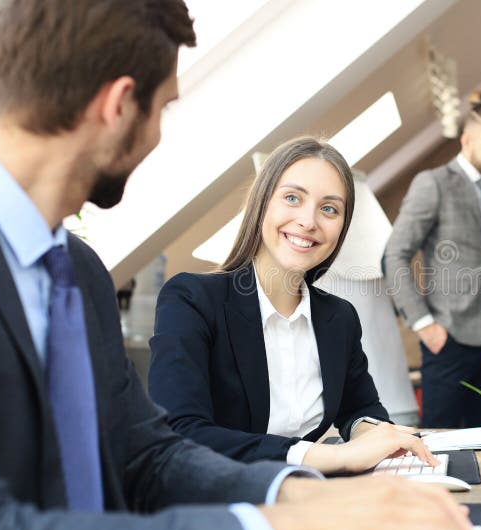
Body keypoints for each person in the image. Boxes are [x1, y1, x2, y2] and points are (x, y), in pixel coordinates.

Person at [0, 1, 471, 530]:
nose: (157, 137)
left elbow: (150, 458)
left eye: (330, 208)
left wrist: (299, 498)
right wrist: (279, 521)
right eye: (163, 109)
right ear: (120, 104)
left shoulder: (80, 274)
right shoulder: (182, 296)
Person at [149, 136, 435, 473]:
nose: (309, 221)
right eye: (292, 198)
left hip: (316, 499)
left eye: (329, 208)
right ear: (261, 204)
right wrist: (331, 457)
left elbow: (360, 407)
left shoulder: (339, 318)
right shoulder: (192, 300)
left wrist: (375, 434)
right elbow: (180, 433)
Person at [383, 92, 481, 428]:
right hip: (449, 337)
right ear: (466, 141)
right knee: (438, 438)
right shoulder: (433, 184)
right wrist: (422, 324)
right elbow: (394, 255)